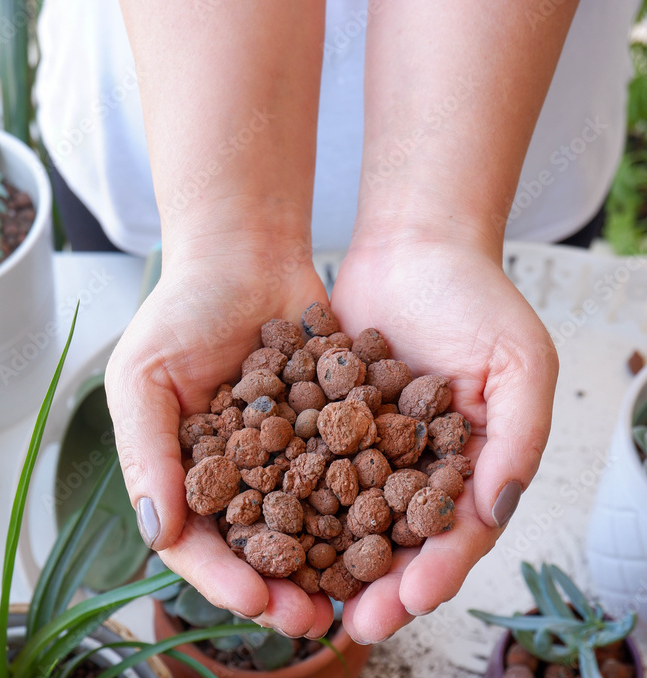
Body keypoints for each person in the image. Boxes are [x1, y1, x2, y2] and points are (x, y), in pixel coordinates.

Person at [36, 0, 640, 644]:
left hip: (492, 116)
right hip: (181, 108)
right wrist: (225, 238)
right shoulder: (289, 433)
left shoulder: (357, 432)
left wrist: (437, 233)